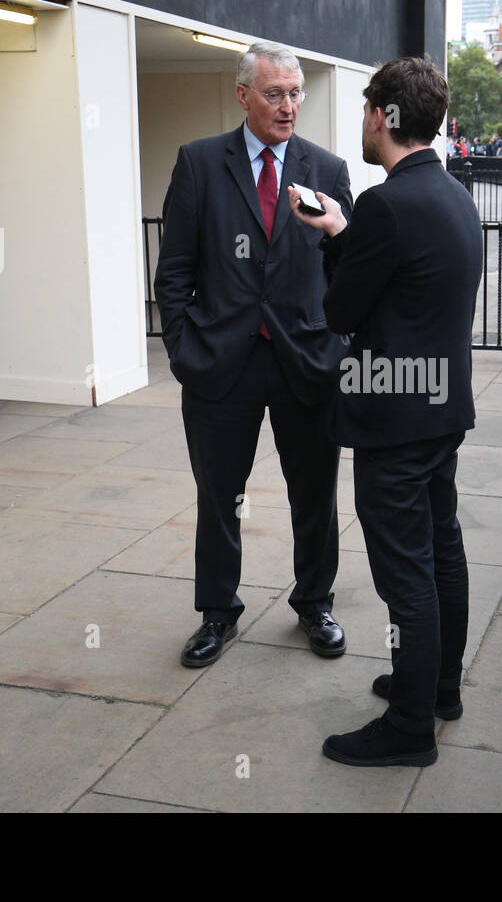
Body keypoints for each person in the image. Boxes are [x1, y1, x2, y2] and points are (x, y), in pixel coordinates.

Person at [288, 55, 482, 767]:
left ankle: (408, 728)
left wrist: (335, 237)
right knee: (442, 552)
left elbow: (343, 310)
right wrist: (347, 230)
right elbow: (407, 290)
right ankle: (437, 689)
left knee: (407, 577)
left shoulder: (390, 204)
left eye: (368, 109)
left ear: (382, 116)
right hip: (439, 408)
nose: (364, 122)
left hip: (394, 420)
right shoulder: (452, 196)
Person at [153, 40, 352, 668]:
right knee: (219, 495)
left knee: (314, 492)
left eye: (295, 93)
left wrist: (336, 343)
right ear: (244, 96)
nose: (288, 105)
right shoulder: (199, 163)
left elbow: (344, 271)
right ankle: (217, 612)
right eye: (275, 94)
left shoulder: (327, 168)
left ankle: (314, 602)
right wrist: (186, 349)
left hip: (305, 361)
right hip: (221, 364)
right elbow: (174, 271)